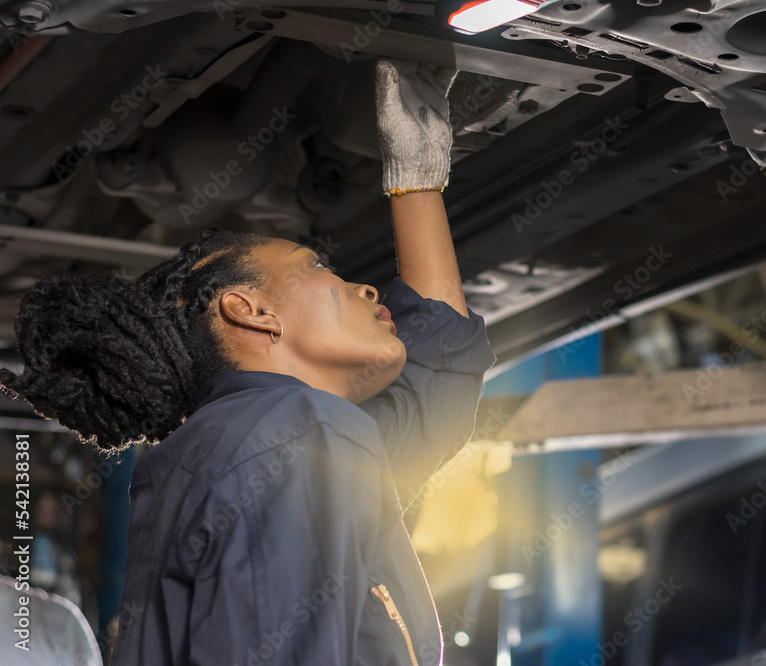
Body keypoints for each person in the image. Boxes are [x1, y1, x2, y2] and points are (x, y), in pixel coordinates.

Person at [0, 56, 495, 665]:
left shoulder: (265, 438)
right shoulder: (290, 437)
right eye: (318, 266)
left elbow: (434, 383)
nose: (363, 288)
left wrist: (416, 178)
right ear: (250, 311)